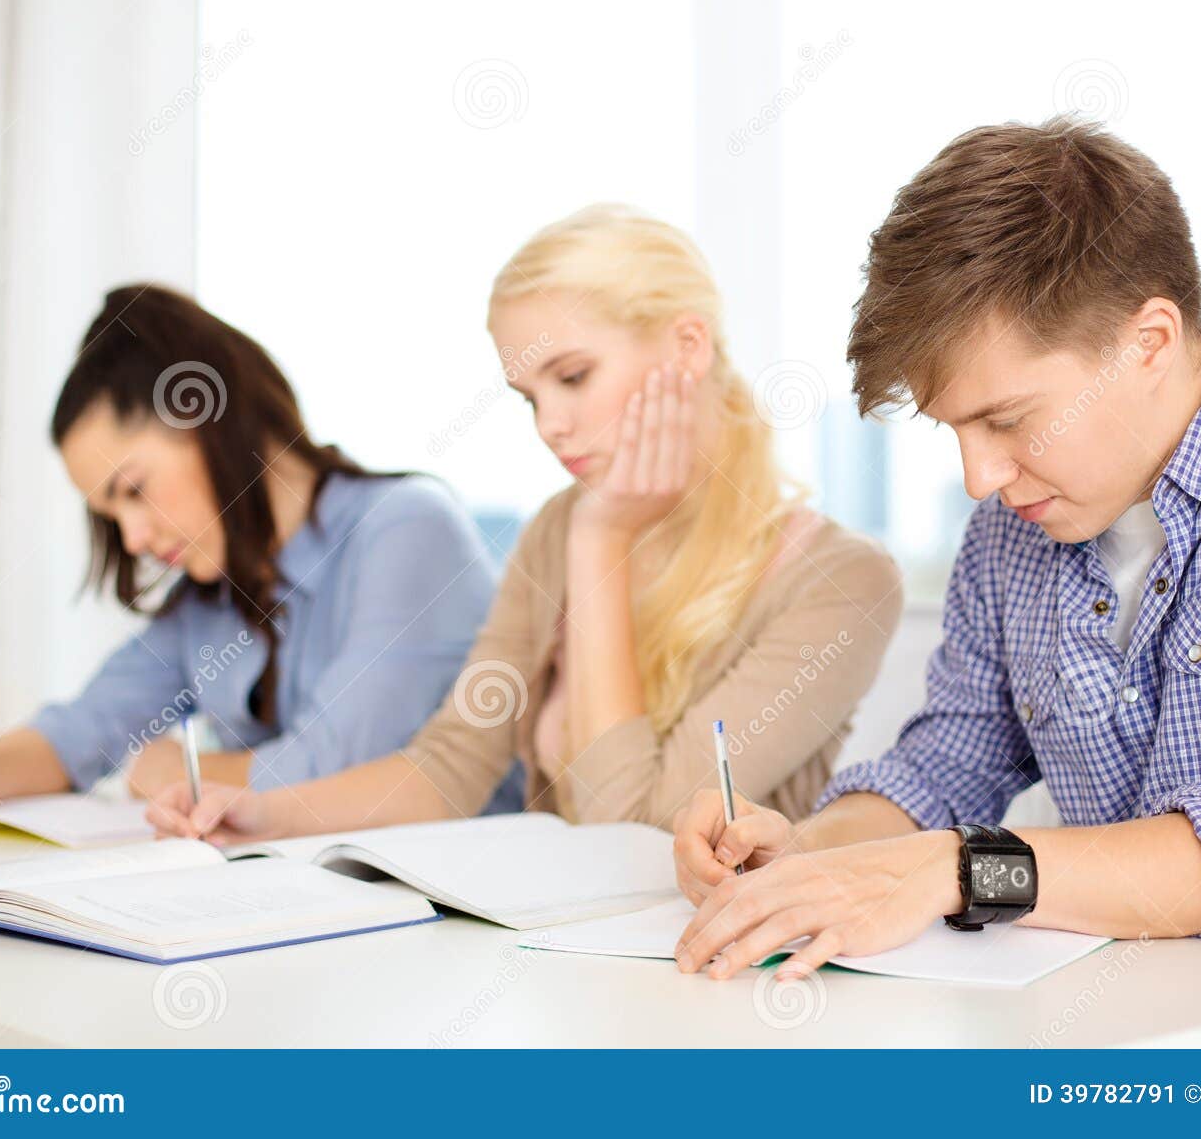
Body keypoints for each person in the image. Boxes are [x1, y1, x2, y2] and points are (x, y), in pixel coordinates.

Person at [671, 118, 1201, 987]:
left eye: (1006, 420)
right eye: (956, 431)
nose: (979, 477)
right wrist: (812, 858)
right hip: (1129, 1022)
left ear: (1148, 343)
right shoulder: (1020, 511)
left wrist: (959, 869)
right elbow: (949, 763)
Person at [148, 204, 902, 842]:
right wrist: (263, 815)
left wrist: (601, 541)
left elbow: (633, 832)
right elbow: (452, 763)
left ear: (688, 346)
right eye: (530, 397)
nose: (550, 425)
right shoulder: (558, 528)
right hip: (556, 946)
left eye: (573, 377)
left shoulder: (841, 581)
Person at [0, 284, 495, 819]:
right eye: (112, 516)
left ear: (207, 418)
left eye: (134, 490)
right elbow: (86, 728)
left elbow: (340, 769)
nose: (132, 540)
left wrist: (177, 772)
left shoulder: (407, 529)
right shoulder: (208, 599)